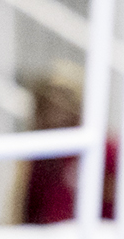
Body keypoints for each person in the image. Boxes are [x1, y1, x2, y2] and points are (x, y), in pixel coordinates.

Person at [17, 61, 115, 224]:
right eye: (48, 104)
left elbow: (115, 204)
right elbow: (27, 212)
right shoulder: (38, 154)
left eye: (63, 101)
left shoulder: (104, 149)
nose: (55, 113)